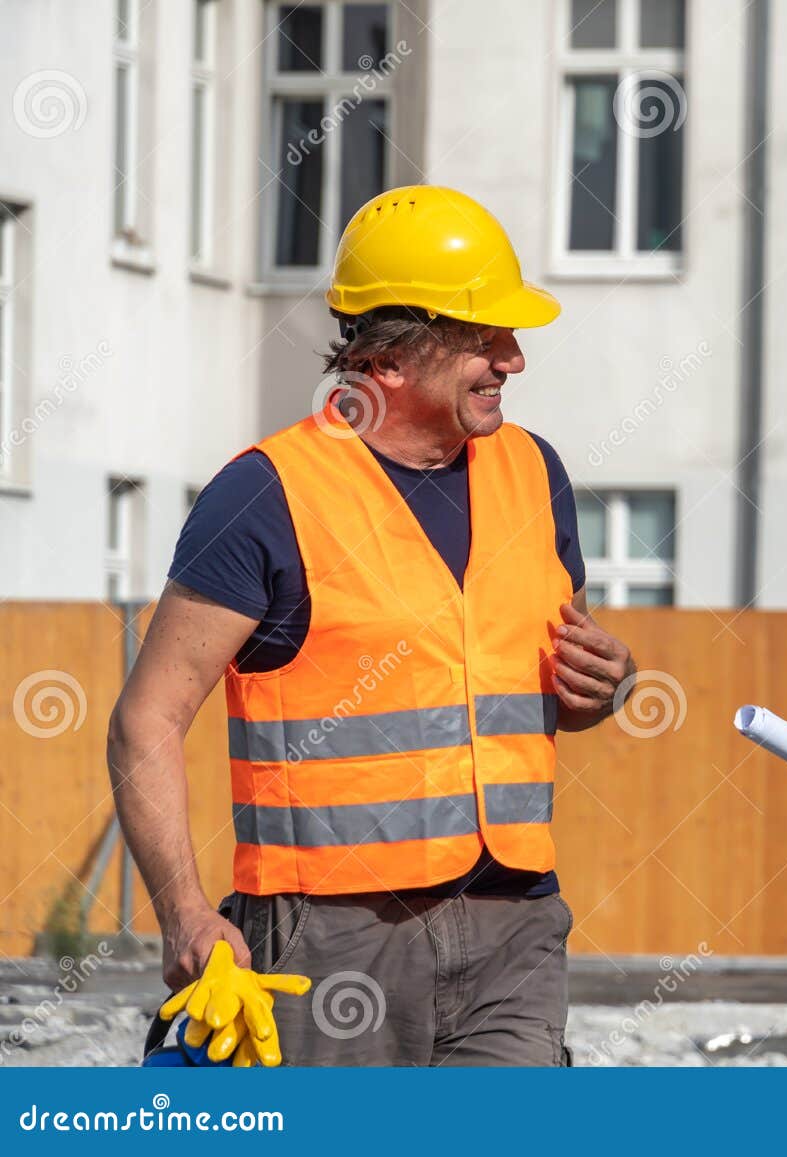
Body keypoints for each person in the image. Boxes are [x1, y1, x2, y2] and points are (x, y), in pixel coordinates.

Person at [108, 185, 636, 1066]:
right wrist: (186, 914)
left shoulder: (533, 473)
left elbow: (546, 692)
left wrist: (607, 685)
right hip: (330, 941)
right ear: (392, 357)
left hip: (515, 926)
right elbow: (145, 721)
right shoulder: (269, 493)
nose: (513, 360)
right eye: (486, 339)